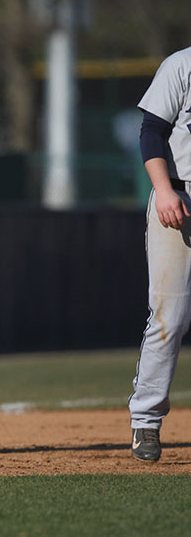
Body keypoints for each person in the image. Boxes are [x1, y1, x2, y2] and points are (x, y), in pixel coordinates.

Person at [129, 45, 191, 463]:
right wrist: (164, 190)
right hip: (180, 195)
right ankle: (146, 423)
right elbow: (152, 130)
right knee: (171, 316)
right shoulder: (182, 64)